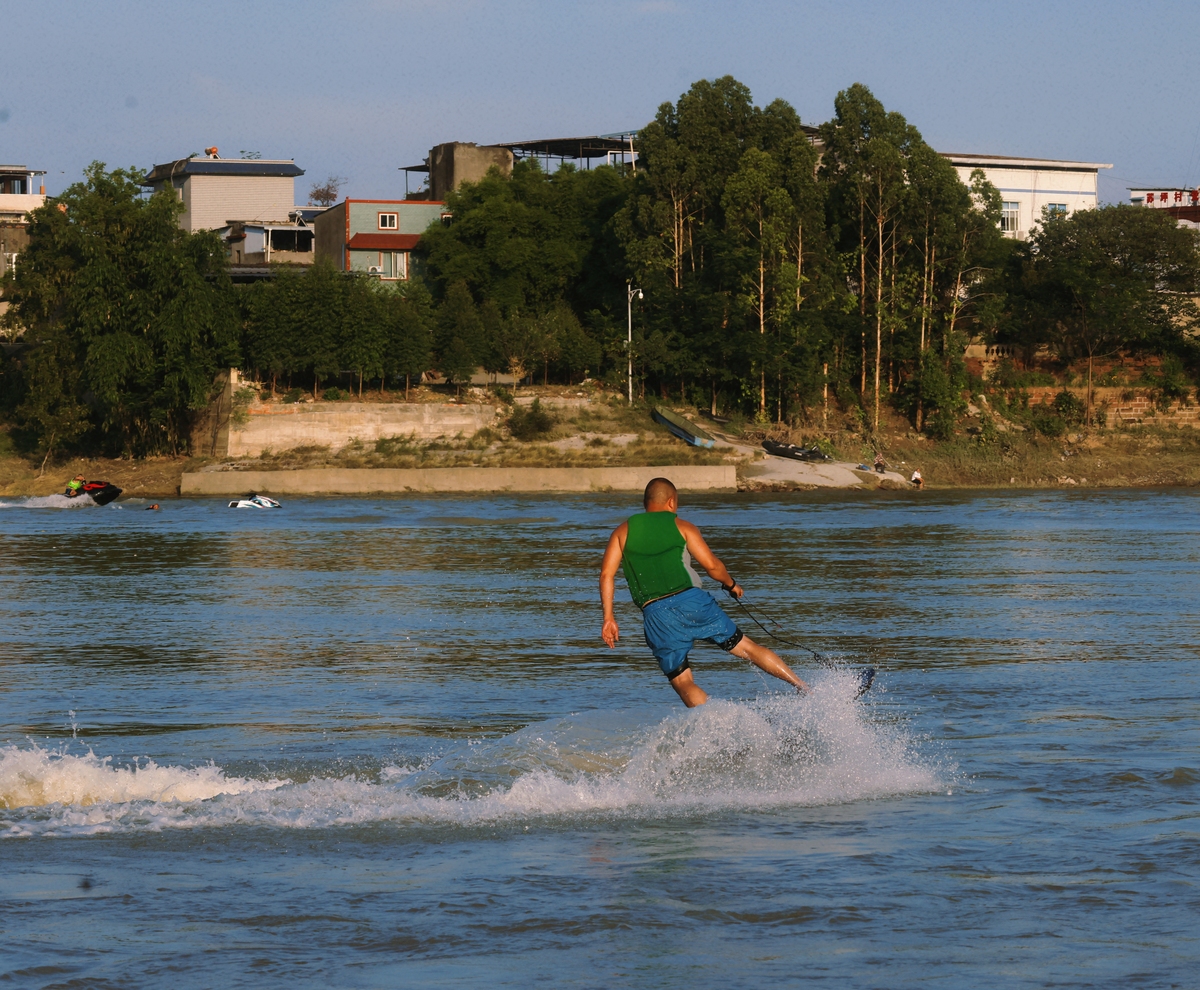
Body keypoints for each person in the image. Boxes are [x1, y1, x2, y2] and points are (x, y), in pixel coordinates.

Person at [599, 477, 809, 708]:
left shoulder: (622, 532)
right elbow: (712, 567)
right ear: (671, 502)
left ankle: (721, 721)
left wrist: (609, 618)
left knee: (683, 681)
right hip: (693, 603)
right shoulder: (682, 526)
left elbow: (606, 576)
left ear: (645, 503)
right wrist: (731, 585)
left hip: (657, 614)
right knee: (748, 648)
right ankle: (805, 689)